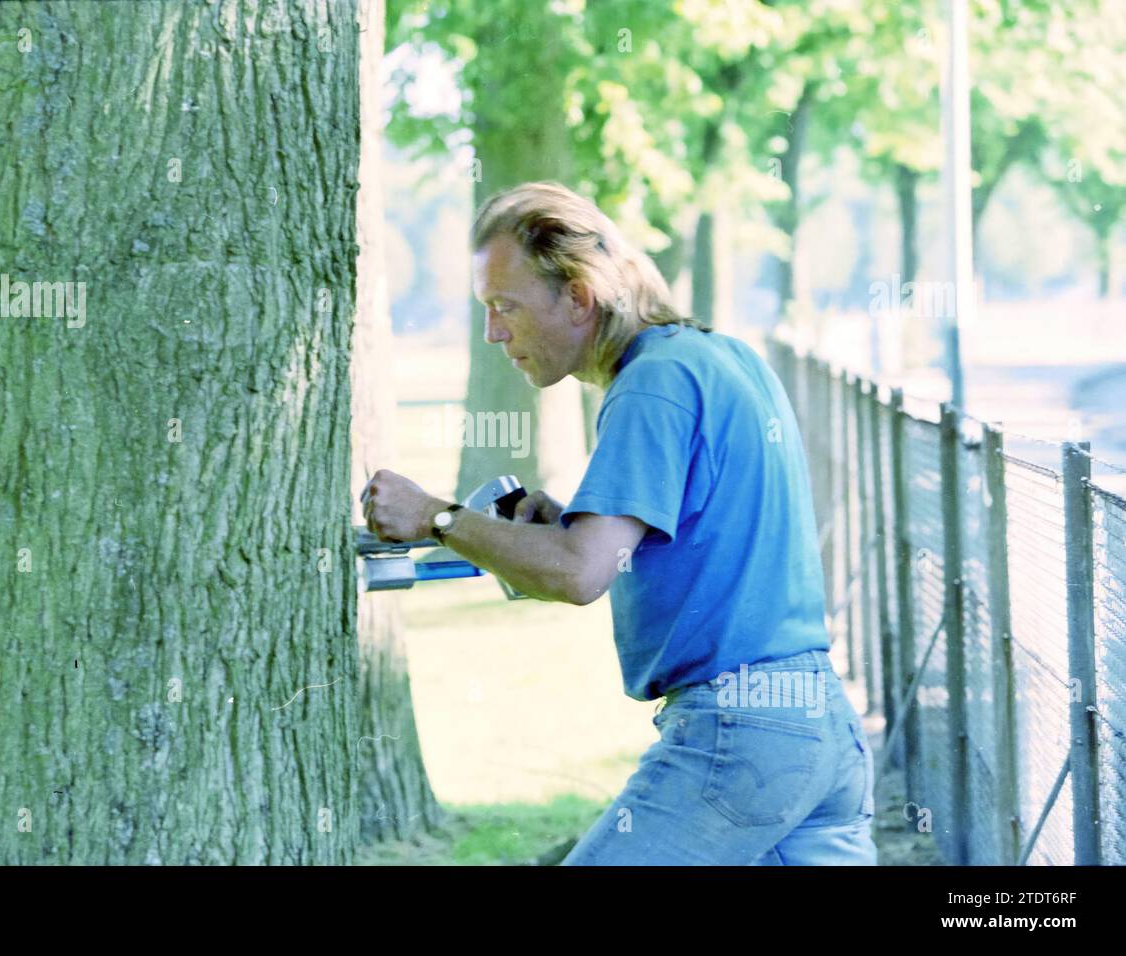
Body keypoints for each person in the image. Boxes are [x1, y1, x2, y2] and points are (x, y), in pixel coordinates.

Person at [360, 181, 877, 865]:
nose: (492, 333)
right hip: (820, 731)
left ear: (577, 296)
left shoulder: (651, 384)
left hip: (741, 736)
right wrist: (549, 527)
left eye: (503, 306)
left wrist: (436, 516)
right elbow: (653, 535)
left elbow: (579, 571)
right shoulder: (722, 357)